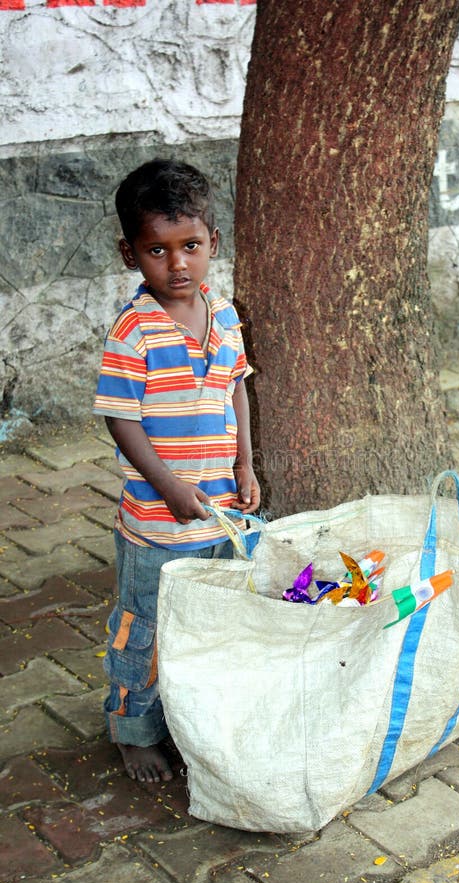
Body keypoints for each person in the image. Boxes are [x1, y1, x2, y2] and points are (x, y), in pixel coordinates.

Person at [93, 159, 260, 783]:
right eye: (157, 251)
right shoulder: (135, 331)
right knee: (144, 628)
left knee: (209, 622)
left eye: (190, 246)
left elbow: (236, 390)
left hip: (219, 515)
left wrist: (246, 464)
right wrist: (166, 485)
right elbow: (121, 420)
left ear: (213, 244)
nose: (178, 264)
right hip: (156, 525)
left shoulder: (223, 315)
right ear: (130, 253)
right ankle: (133, 730)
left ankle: (192, 720)